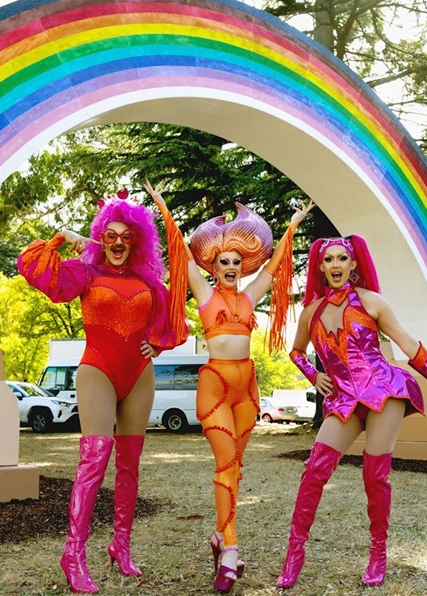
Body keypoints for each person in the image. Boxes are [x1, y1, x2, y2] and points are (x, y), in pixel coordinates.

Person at [277, 235, 427, 588]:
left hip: (384, 391)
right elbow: (296, 351)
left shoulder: (372, 302)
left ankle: (378, 554)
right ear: (321, 267)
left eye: (342, 259)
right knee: (314, 471)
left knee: (374, 475)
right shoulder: (311, 312)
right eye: (329, 259)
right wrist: (313, 374)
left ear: (353, 264)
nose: (336, 265)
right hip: (343, 398)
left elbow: (407, 343)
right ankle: (294, 556)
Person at [145, 179, 313, 592]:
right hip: (215, 385)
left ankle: (220, 537)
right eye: (224, 262)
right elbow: (182, 253)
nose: (232, 266)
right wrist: (163, 207)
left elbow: (274, 266)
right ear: (214, 267)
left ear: (243, 265)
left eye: (237, 261)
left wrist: (292, 225)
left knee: (235, 469)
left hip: (247, 388)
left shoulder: (250, 296)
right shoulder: (205, 294)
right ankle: (231, 551)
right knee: (225, 464)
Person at [16, 191, 188, 594]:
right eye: (110, 235)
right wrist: (61, 238)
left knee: (130, 465)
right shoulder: (86, 273)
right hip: (98, 369)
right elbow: (36, 269)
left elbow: (172, 319)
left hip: (139, 374)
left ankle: (120, 547)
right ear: (101, 237)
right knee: (94, 459)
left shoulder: (149, 281)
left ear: (136, 241)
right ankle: (73, 554)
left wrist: (158, 345)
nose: (117, 242)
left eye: (126, 236)